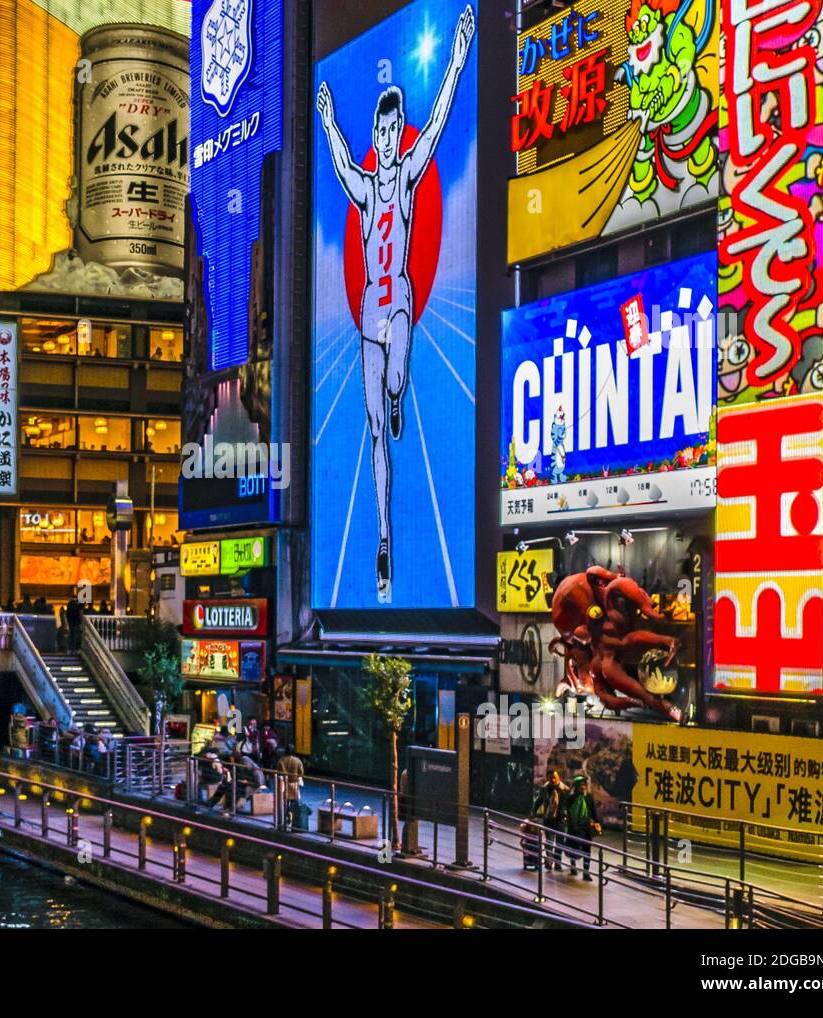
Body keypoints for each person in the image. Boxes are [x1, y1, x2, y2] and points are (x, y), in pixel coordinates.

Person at [316, 4, 475, 602]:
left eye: (392, 131)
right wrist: (330, 122)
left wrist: (457, 56)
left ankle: (399, 392)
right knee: (375, 430)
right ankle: (384, 537)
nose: (386, 141)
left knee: (396, 380)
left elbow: (438, 122)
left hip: (399, 308)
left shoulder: (406, 177)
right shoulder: (362, 186)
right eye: (379, 134)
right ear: (372, 138)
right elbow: (335, 161)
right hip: (366, 321)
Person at [564, 774, 601, 880]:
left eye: (584, 784)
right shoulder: (571, 798)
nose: (583, 787)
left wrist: (597, 823)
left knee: (586, 850)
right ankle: (573, 867)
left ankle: (586, 872)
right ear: (576, 786)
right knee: (572, 847)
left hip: (586, 828)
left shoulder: (588, 797)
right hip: (574, 827)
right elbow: (567, 812)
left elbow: (593, 811)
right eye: (581, 785)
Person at [534, 770, 569, 871]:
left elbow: (569, 804)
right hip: (549, 819)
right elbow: (539, 800)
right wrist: (534, 811)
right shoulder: (544, 789)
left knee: (560, 842)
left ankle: (557, 862)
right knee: (549, 842)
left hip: (561, 820)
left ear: (559, 778)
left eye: (555, 777)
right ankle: (549, 861)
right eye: (551, 778)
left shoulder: (565, 789)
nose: (553, 780)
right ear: (548, 779)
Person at [280, 744, 305, 829]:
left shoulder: (281, 760)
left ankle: (286, 815)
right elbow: (301, 772)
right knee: (295, 801)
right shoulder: (297, 760)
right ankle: (292, 815)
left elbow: (277, 770)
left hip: (284, 784)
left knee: (284, 802)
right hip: (294, 784)